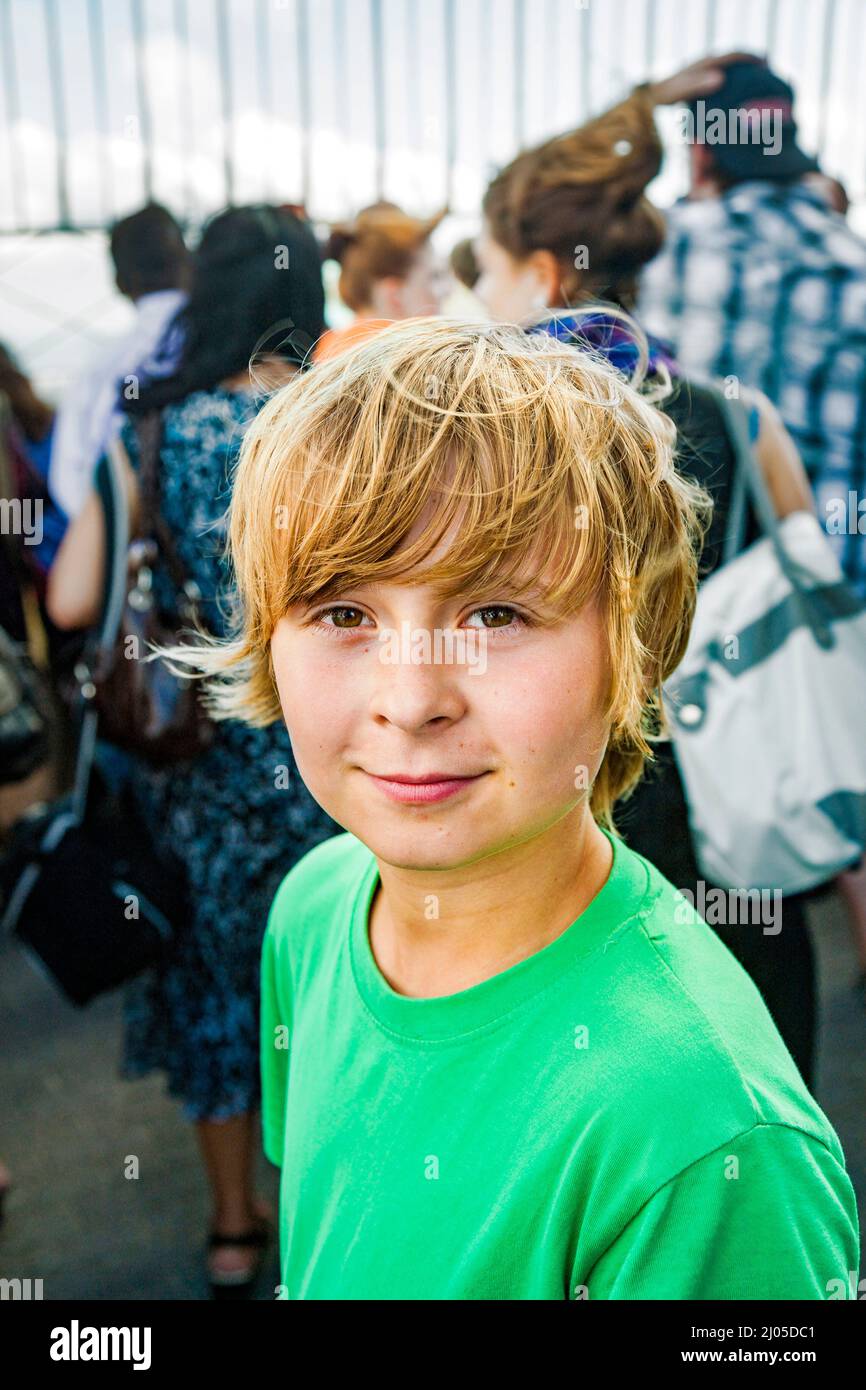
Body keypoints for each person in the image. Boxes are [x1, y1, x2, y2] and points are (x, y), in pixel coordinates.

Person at [165, 316, 858, 1299]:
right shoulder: (314, 911)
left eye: (494, 614)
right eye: (342, 612)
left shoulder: (699, 1134)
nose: (412, 699)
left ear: (633, 645)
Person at [471, 56, 822, 1086]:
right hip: (741, 858)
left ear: (540, 275)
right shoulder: (733, 414)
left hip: (567, 881)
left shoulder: (488, 448)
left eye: (483, 270)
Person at [46, 205, 337, 1297]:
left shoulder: (150, 430)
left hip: (195, 774)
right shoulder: (329, 425)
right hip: (322, 767)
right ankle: (326, 1208)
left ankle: (231, 1228)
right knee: (323, 987)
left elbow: (75, 593)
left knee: (217, 991)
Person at [638, 58, 866, 601]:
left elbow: (531, 212)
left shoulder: (669, 247)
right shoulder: (854, 262)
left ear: (700, 153)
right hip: (834, 596)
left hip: (693, 592)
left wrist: (642, 102)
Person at [47, 202, 191, 520]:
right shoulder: (230, 355)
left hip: (125, 548)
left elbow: (68, 484)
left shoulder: (96, 374)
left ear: (120, 282)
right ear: (188, 261)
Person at [313, 201, 448, 362]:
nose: (446, 291)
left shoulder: (330, 351)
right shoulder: (408, 366)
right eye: (433, 278)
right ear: (394, 294)